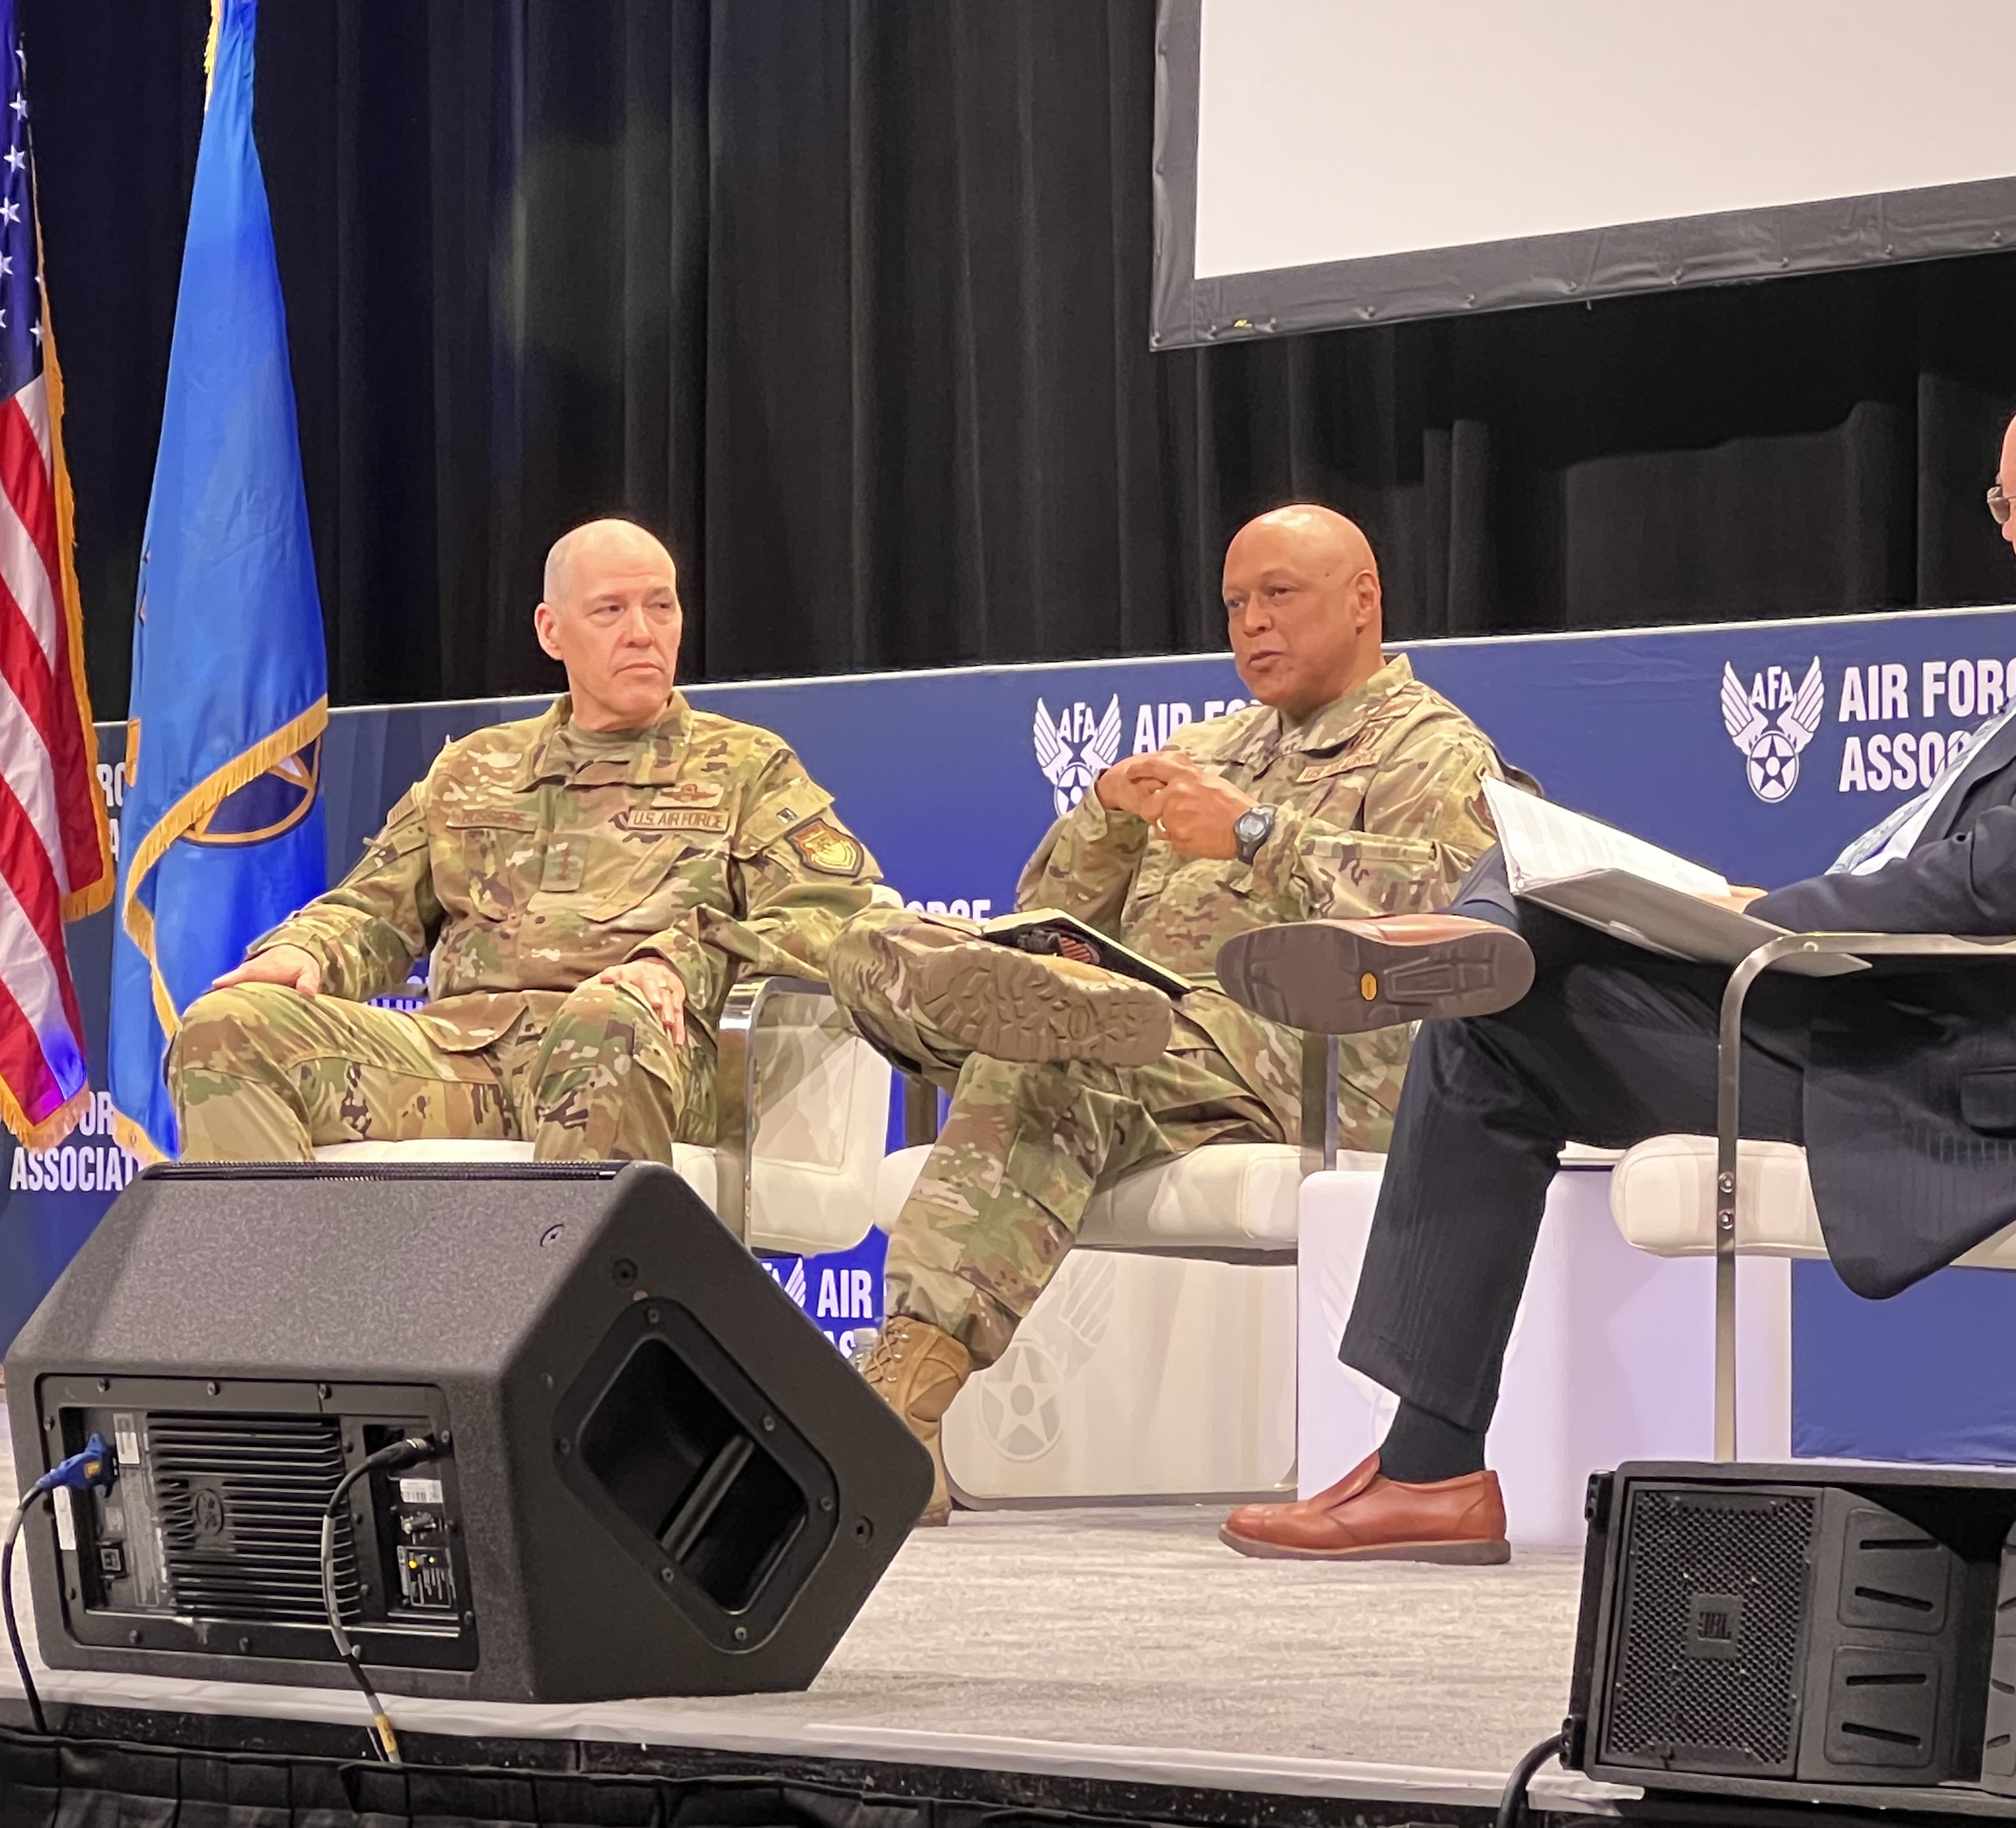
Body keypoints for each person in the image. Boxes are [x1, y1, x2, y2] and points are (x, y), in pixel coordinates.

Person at [1213, 359, 2016, 1563]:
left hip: (1953, 1085)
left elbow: (1998, 886)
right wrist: (1737, 917)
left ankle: (1430, 1463)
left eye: (2006, 503)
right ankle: (1473, 945)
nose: (2004, 530)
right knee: (1521, 877)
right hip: (1916, 1033)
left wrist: (1770, 919)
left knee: (1491, 1018)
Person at [831, 504, 1513, 1521]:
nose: (1252, 623)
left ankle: (898, 1409)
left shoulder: (1435, 750)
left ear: (1363, 600)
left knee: (1063, 1037)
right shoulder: (1206, 746)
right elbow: (1055, 907)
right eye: (1235, 604)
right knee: (990, 1004)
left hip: (1322, 1058)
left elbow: (1460, 930)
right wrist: (1107, 819)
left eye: (1278, 595)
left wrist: (1257, 835)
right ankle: (928, 1004)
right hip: (1155, 1042)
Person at [168, 517, 882, 1163]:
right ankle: (282, 1272)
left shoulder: (747, 766)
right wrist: (306, 950)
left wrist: (678, 962)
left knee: (604, 1029)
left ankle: (587, 1276)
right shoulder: (472, 768)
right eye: (610, 610)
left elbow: (833, 915)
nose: (642, 631)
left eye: (661, 606)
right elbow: (370, 912)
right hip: (462, 1058)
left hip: (643, 1054)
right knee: (227, 1028)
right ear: (551, 631)